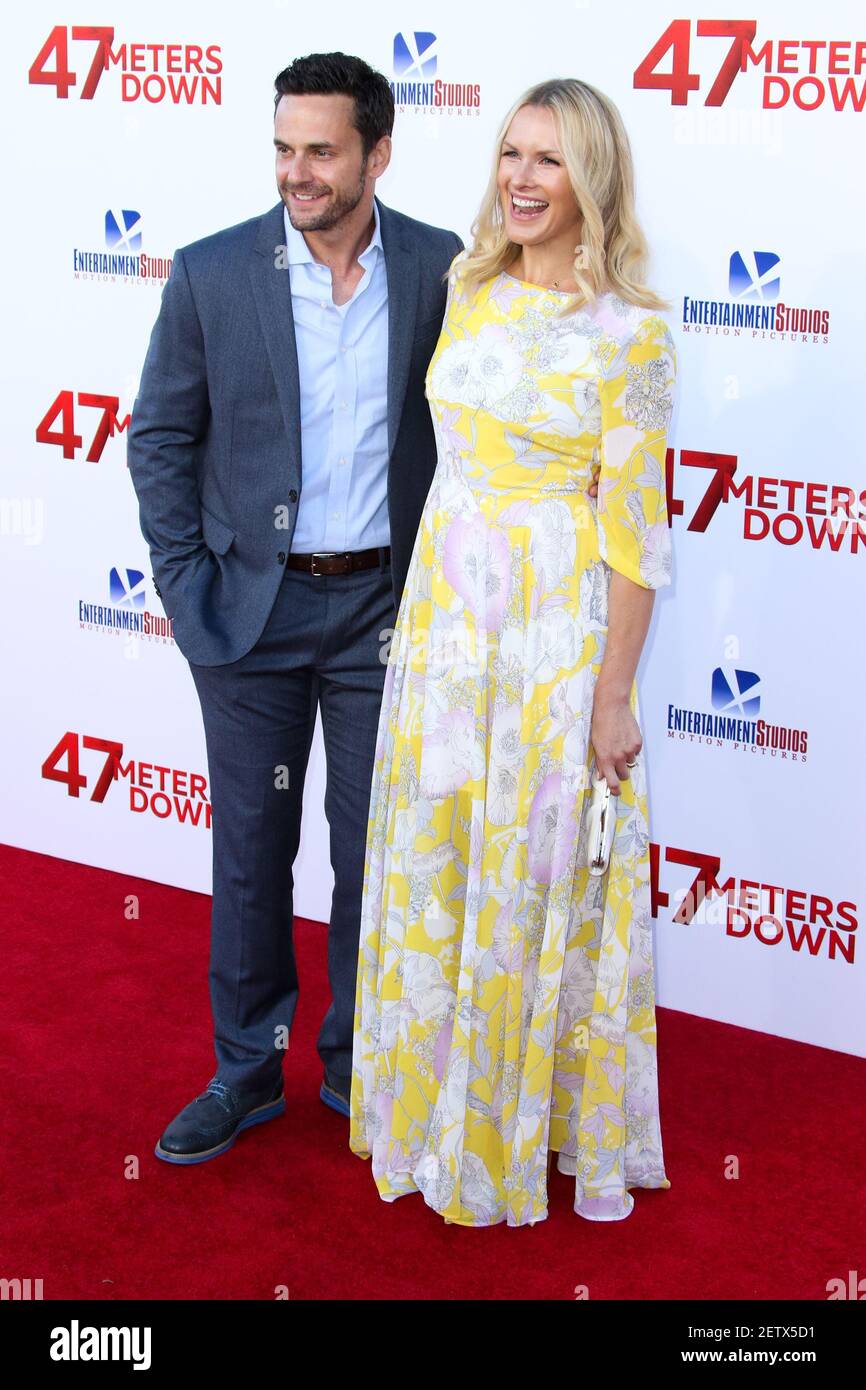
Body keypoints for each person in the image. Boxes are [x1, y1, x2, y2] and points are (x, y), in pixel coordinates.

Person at [128, 50, 604, 1166]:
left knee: (375, 845)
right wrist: (186, 577)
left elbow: (510, 388)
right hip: (248, 613)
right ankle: (247, 1070)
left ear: (376, 154)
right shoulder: (210, 273)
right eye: (284, 149)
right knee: (252, 847)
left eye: (322, 151)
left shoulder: (447, 267)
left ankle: (357, 1057)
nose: (298, 173)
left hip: (389, 614)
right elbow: (159, 435)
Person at [350, 77, 676, 1225]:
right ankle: (435, 1107)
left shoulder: (631, 337)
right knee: (444, 865)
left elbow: (636, 539)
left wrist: (612, 697)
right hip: (446, 633)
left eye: (547, 161)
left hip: (546, 642)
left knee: (528, 886)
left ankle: (510, 1130)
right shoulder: (468, 289)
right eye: (510, 156)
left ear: (591, 180)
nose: (522, 181)